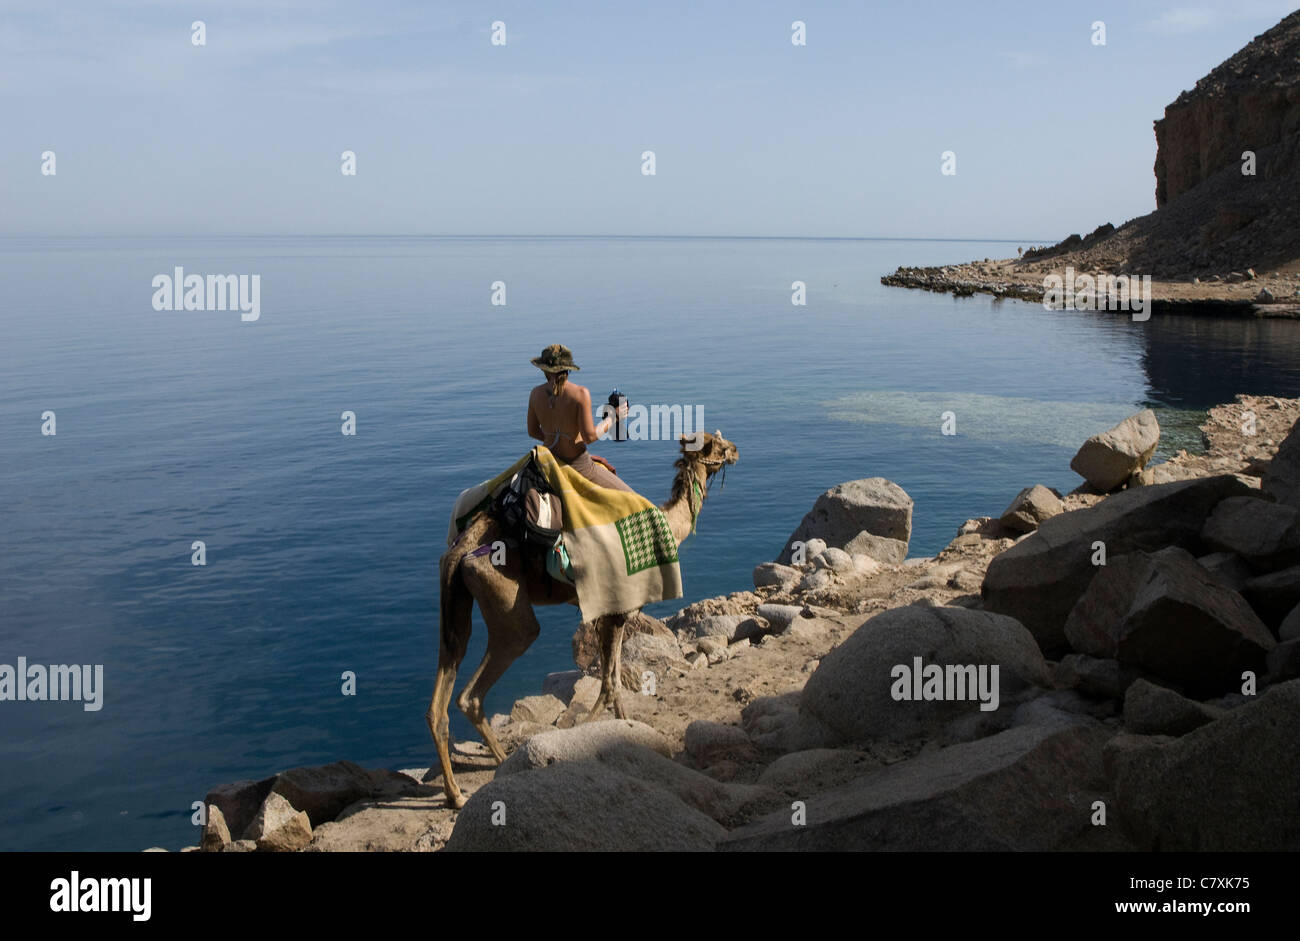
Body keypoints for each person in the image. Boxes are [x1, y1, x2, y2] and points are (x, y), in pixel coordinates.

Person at [526, 343, 634, 492]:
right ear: (568, 368)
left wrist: (558, 441)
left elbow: (532, 431)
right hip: (578, 465)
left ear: (545, 369)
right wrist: (613, 417)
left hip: (549, 461)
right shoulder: (580, 393)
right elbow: (589, 437)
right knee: (631, 498)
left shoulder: (535, 393)